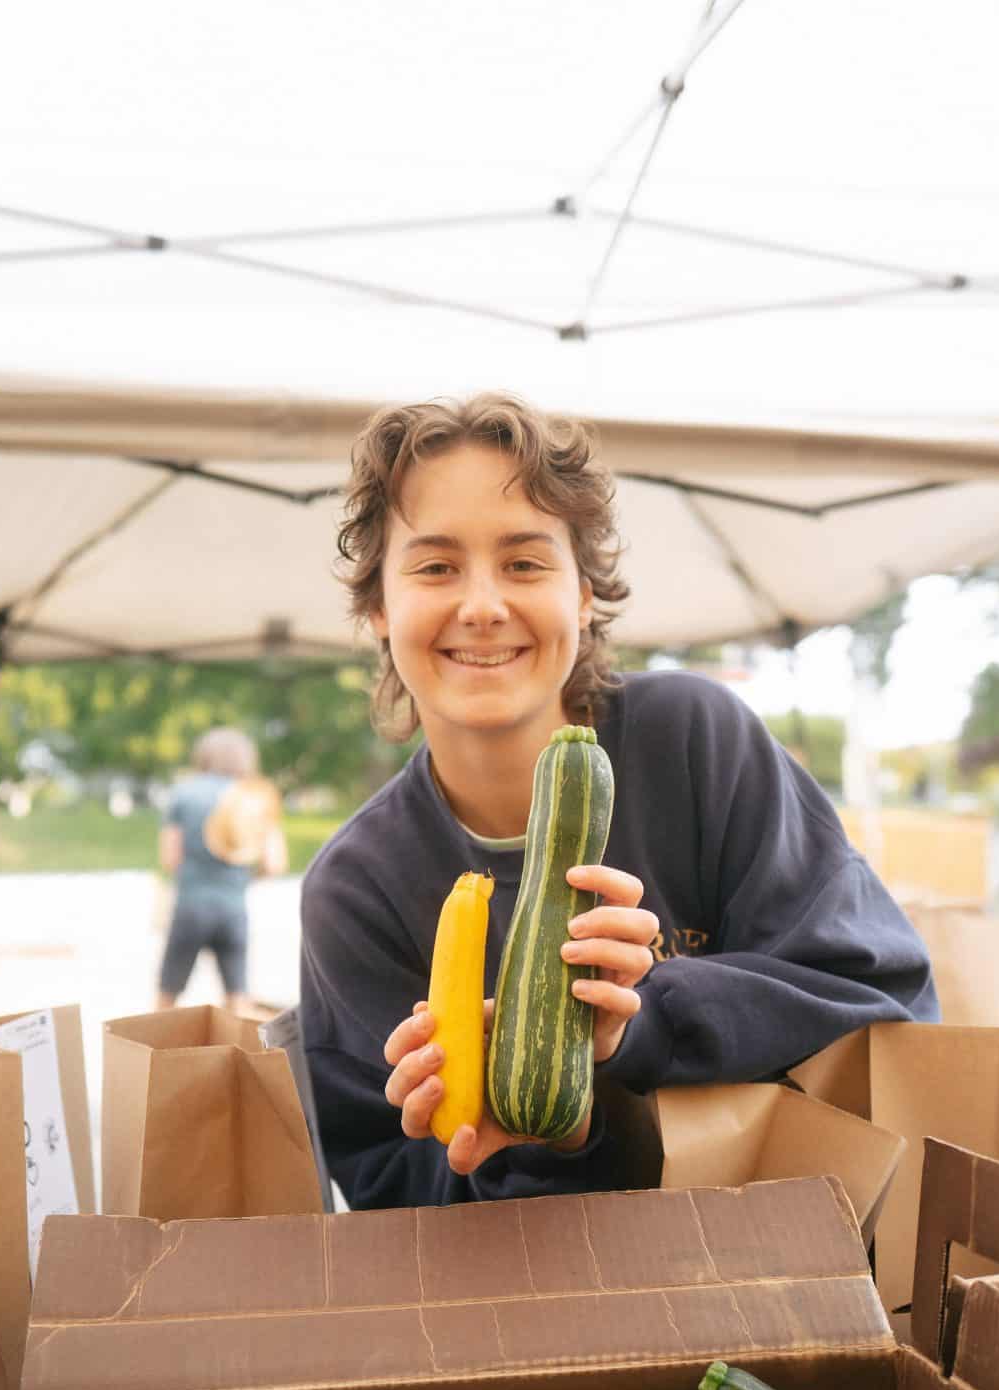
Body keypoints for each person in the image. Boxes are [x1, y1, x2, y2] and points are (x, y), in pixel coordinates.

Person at [299, 394, 937, 1211]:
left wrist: (641, 1024)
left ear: (584, 596)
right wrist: (548, 1138)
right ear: (378, 609)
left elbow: (885, 991)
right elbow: (386, 1188)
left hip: (784, 1267)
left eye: (526, 562)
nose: (484, 604)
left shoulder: (695, 742)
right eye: (435, 566)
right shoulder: (357, 888)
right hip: (534, 1317)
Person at [157, 726, 287, 1017]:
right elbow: (275, 863)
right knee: (239, 1002)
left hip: (190, 905)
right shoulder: (253, 798)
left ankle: (145, 1059)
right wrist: (240, 880)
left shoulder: (184, 794)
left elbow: (170, 858)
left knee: (167, 996)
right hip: (233, 908)